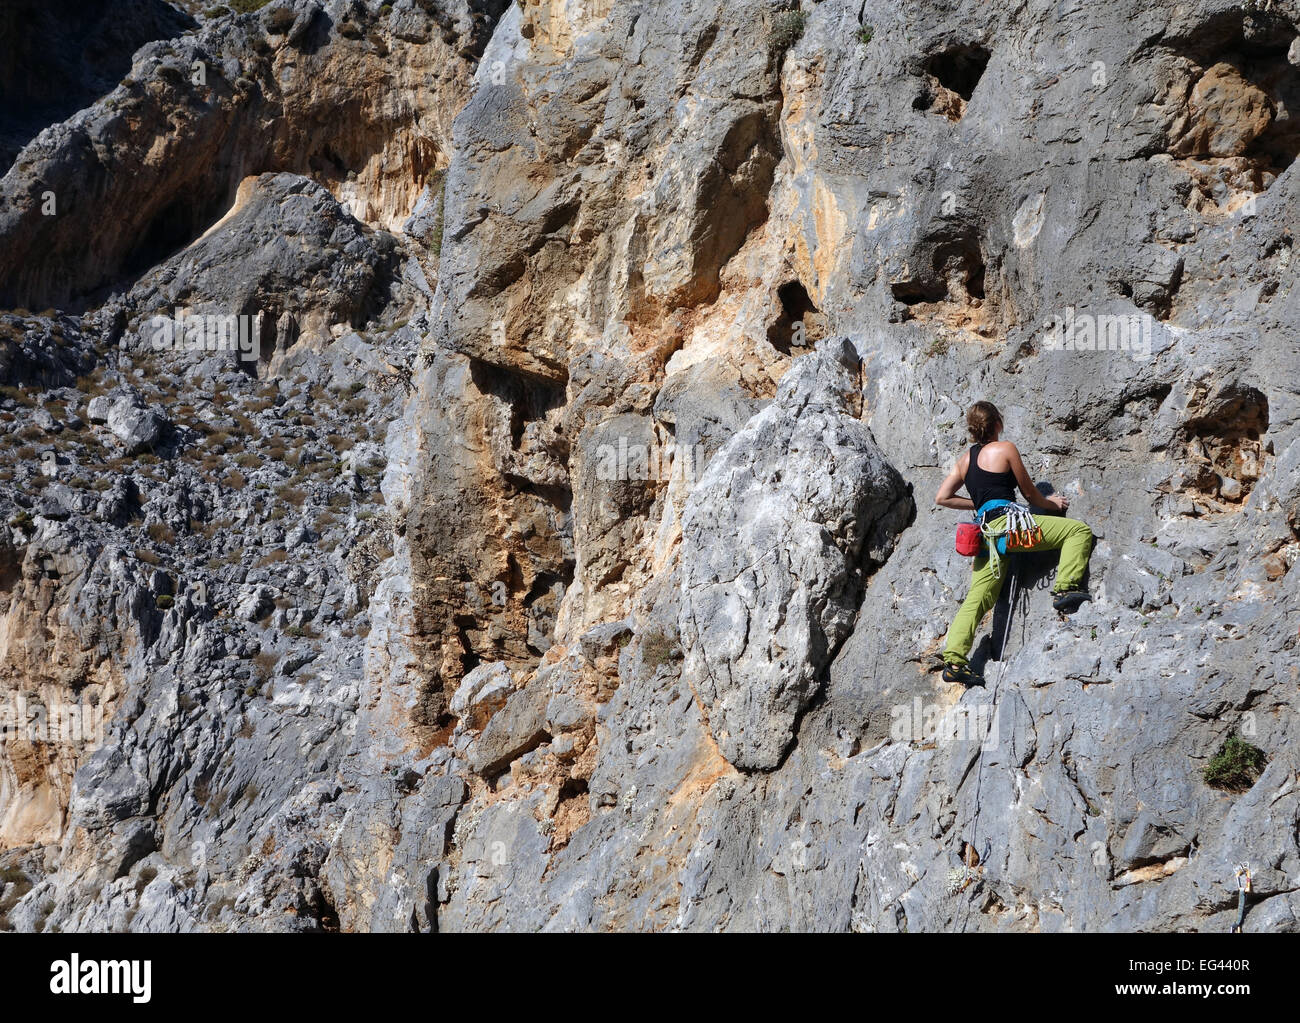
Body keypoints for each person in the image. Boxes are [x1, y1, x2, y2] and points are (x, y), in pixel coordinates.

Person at [935, 401, 1093, 685]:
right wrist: (1052, 503)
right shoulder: (1005, 449)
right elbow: (1031, 494)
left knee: (977, 598)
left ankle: (955, 661)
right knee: (1078, 532)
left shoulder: (965, 461)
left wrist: (980, 502)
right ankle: (1066, 588)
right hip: (1011, 527)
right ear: (997, 422)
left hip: (986, 534)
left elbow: (942, 497)